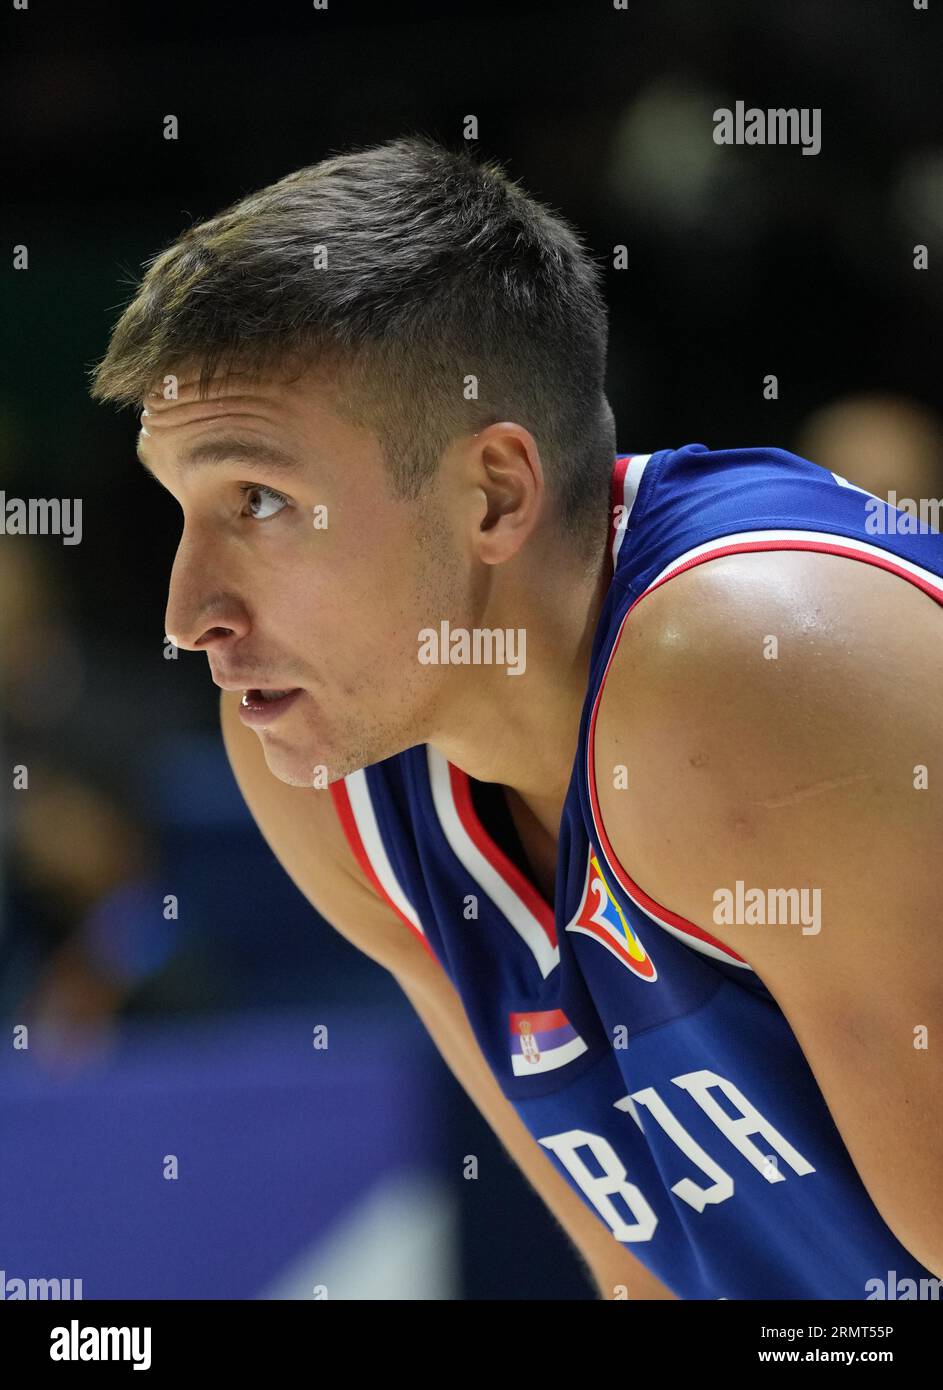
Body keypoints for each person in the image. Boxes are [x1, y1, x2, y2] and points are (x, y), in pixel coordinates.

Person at [89, 136, 943, 1300]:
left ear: (492, 492)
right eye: (181, 505)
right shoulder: (328, 768)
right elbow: (645, 1273)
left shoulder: (755, 663)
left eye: (261, 500)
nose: (189, 613)